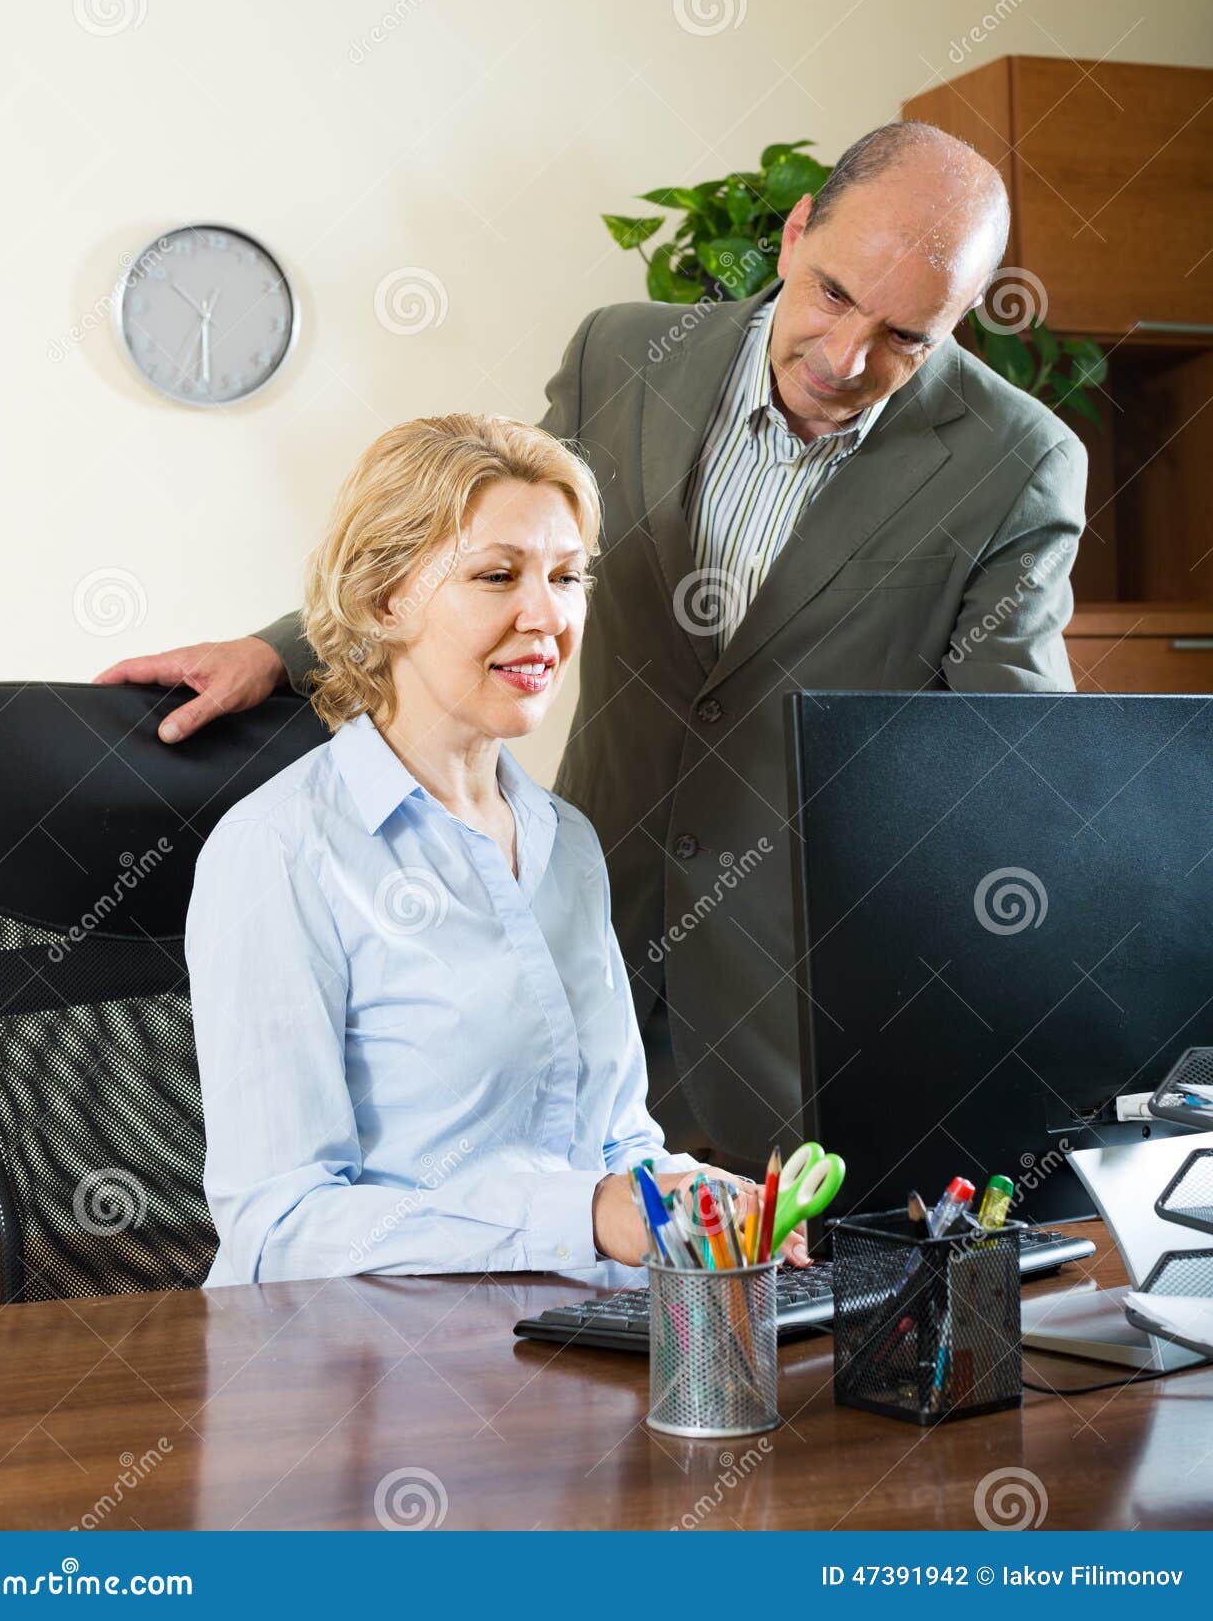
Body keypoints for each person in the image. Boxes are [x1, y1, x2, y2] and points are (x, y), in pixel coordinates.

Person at [101, 121, 1088, 1171]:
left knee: (782, 1315)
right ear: (796, 232)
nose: (845, 359)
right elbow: (480, 542)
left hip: (802, 1007)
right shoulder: (623, 357)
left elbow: (1014, 758)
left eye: (905, 338)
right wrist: (278, 649)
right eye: (833, 296)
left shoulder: (1013, 463)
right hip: (590, 919)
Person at [184, 414, 776, 1285]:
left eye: (568, 577)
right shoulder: (281, 850)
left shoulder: (565, 841)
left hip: (571, 1347)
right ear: (386, 599)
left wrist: (691, 1200)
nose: (547, 616)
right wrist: (581, 1218)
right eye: (497, 576)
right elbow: (281, 1229)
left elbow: (615, 1140)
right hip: (371, 1384)